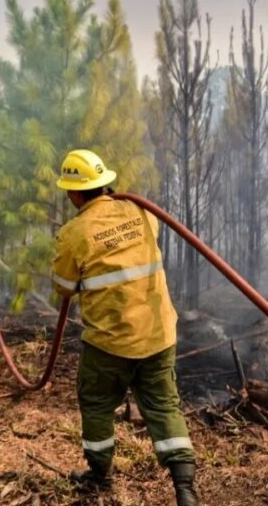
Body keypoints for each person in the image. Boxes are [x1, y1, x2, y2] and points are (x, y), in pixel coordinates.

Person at [50, 149, 199, 506]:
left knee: (98, 403)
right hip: (159, 334)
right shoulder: (144, 213)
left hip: (109, 344)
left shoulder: (74, 233)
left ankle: (99, 474)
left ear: (74, 192)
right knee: (164, 406)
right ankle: (185, 487)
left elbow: (62, 287)